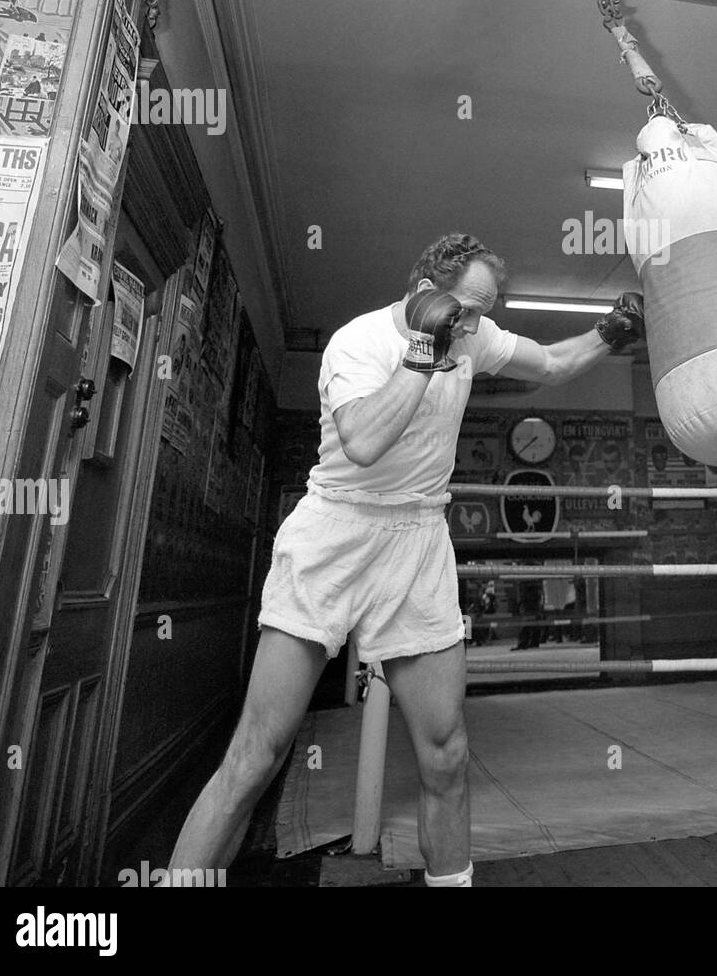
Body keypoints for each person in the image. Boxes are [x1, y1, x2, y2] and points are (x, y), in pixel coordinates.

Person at [167, 232, 643, 887]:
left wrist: (610, 333)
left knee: (446, 755)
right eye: (467, 308)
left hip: (418, 537)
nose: (476, 323)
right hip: (334, 532)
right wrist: (422, 354)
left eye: (485, 310)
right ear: (426, 292)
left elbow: (550, 362)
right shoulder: (358, 343)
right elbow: (362, 441)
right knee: (256, 754)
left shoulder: (472, 336)